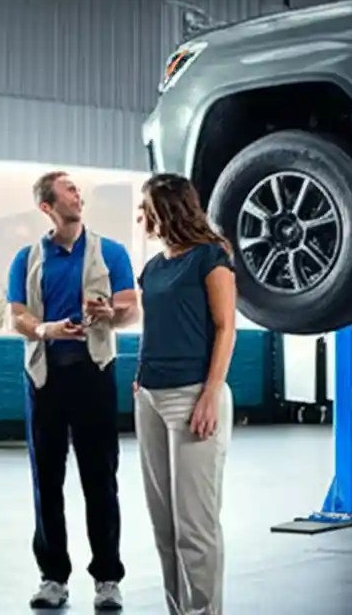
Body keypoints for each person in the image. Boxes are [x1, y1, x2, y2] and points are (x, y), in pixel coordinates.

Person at [4, 170, 140, 611]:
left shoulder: (111, 251)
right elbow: (17, 316)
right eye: (67, 190)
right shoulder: (26, 259)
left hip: (93, 374)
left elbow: (129, 308)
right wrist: (46, 329)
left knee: (100, 478)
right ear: (47, 206)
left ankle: (107, 578)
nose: (76, 194)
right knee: (47, 479)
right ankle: (52, 577)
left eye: (77, 189)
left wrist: (108, 315)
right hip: (44, 379)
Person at [132, 173, 237, 615]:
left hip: (193, 395)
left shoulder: (211, 257)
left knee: (194, 527)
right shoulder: (154, 267)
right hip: (150, 397)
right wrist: (140, 377)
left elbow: (224, 326)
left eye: (147, 208)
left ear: (167, 209)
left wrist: (211, 393)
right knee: (164, 526)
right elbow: (155, 325)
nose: (142, 217)